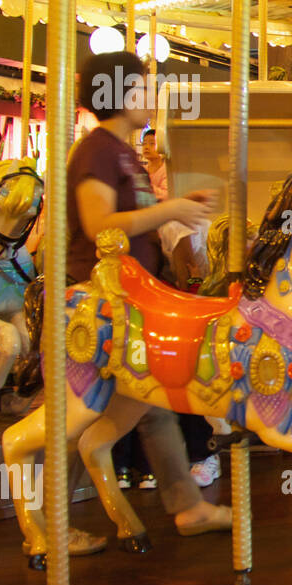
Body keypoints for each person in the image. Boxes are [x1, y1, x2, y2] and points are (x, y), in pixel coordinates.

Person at [63, 50, 231, 554]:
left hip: (132, 295)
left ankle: (188, 505)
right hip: (99, 298)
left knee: (150, 403)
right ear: (116, 95)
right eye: (141, 88)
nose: (152, 96)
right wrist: (168, 211)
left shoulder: (124, 153)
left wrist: (172, 213)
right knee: (83, 412)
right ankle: (49, 520)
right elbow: (99, 227)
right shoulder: (95, 151)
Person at [140, 127, 168, 201]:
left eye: (152, 143)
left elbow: (165, 195)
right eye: (144, 143)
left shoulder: (166, 171)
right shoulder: (141, 169)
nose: (146, 147)